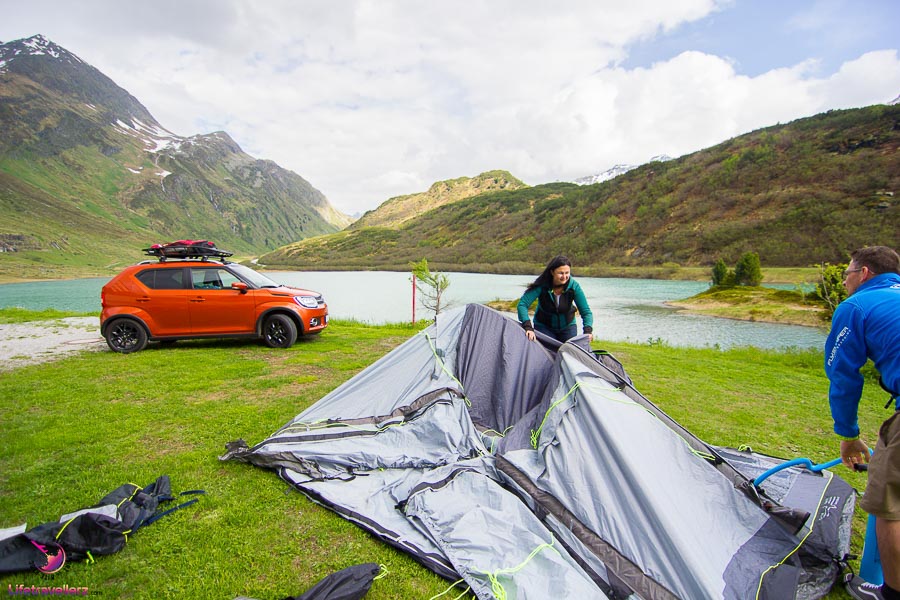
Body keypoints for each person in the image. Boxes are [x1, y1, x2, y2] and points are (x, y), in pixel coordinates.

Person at [824, 246, 900, 600]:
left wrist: (849, 435)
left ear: (864, 273)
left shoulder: (855, 307)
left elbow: (843, 376)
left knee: (889, 502)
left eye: (847, 274)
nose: (845, 281)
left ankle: (891, 592)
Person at [517, 255, 594, 343]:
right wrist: (528, 327)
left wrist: (588, 331)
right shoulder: (542, 285)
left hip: (568, 327)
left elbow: (586, 312)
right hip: (544, 327)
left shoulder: (574, 286)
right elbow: (522, 304)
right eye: (561, 273)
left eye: (567, 273)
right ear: (552, 272)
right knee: (546, 354)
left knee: (568, 354)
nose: (564, 276)